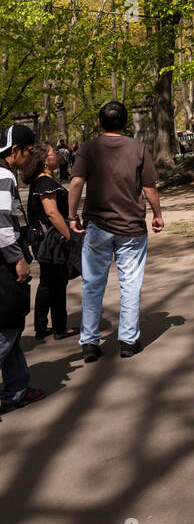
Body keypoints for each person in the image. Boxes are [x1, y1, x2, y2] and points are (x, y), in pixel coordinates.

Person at [68, 101, 165, 361]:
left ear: (100, 123)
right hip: (131, 227)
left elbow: (76, 183)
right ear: (125, 124)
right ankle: (128, 341)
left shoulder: (88, 148)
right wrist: (157, 214)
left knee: (92, 285)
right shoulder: (138, 147)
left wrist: (71, 216)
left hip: (97, 226)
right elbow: (149, 187)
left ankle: (89, 343)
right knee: (131, 284)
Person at [0, 123, 47, 414]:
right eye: (29, 151)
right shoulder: (4, 176)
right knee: (7, 327)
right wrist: (18, 259)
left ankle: (16, 389)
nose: (31, 157)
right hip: (3, 264)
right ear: (15, 150)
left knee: (11, 329)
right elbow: (2, 226)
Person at [21, 142, 76, 341]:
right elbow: (52, 214)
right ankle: (60, 327)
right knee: (57, 283)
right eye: (53, 153)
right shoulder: (46, 183)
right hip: (53, 242)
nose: (56, 156)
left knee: (46, 283)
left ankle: (42, 327)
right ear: (44, 161)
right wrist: (69, 237)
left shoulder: (39, 182)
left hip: (42, 242)